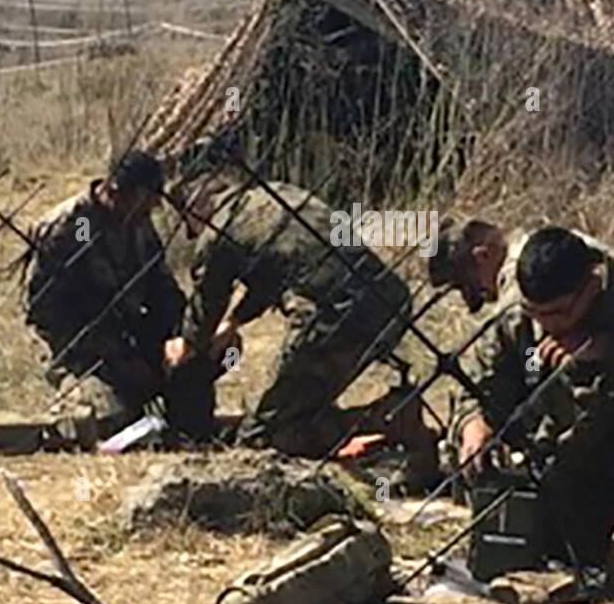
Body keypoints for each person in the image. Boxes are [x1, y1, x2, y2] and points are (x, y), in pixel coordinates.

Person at [434, 221, 614, 585]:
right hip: (565, 460)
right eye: (536, 314)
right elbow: (478, 383)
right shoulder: (524, 314)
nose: (546, 326)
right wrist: (473, 424)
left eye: (559, 314)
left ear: (592, 284)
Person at [162, 173, 440, 488]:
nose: (193, 233)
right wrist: (235, 321)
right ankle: (391, 423)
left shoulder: (220, 230)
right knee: (299, 402)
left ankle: (389, 418)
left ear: (196, 209)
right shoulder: (279, 195)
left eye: (189, 224)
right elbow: (275, 272)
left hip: (334, 316)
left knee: (264, 439)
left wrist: (186, 345)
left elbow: (208, 300)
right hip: (387, 302)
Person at [21, 149, 232, 444]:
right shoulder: (76, 228)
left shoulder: (138, 223)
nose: (150, 213)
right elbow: (46, 316)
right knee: (113, 423)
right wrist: (117, 355)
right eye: (145, 204)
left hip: (131, 335)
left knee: (223, 352)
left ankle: (189, 424)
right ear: (118, 193)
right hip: (81, 350)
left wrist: (186, 338)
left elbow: (163, 291)